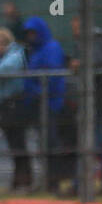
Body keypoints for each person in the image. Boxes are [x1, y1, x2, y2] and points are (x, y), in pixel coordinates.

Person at [22, 16, 72, 191]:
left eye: (33, 32)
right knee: (43, 143)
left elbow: (51, 75)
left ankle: (55, 181)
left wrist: (39, 91)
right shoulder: (33, 50)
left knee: (52, 143)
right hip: (37, 104)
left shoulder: (51, 48)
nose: (31, 36)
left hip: (51, 104)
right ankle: (47, 181)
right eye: (28, 33)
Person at [0, 27, 32, 191]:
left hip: (16, 104)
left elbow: (2, 70)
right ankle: (17, 179)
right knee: (12, 144)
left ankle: (25, 179)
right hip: (3, 105)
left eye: (1, 44)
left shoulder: (17, 55)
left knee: (19, 143)